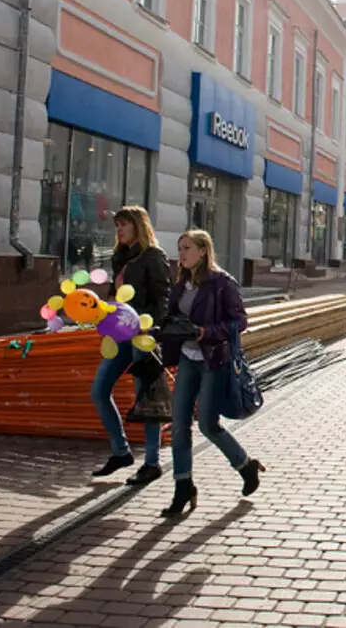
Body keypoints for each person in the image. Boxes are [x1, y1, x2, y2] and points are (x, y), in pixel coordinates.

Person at [158, 229, 264, 517]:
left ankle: (245, 466)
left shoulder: (222, 283)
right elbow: (174, 317)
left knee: (207, 424)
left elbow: (239, 321)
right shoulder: (181, 283)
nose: (181, 253)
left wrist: (207, 332)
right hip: (186, 358)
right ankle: (183, 488)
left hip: (213, 361)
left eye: (187, 248)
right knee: (179, 426)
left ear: (203, 250)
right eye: (180, 248)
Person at [90, 206, 171, 485]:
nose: (119, 230)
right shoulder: (120, 257)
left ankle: (152, 463)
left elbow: (164, 297)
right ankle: (121, 451)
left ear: (139, 226)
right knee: (99, 390)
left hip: (144, 336)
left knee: (145, 400)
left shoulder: (154, 257)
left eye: (124, 224)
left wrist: (154, 328)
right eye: (117, 225)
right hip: (120, 335)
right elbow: (116, 296)